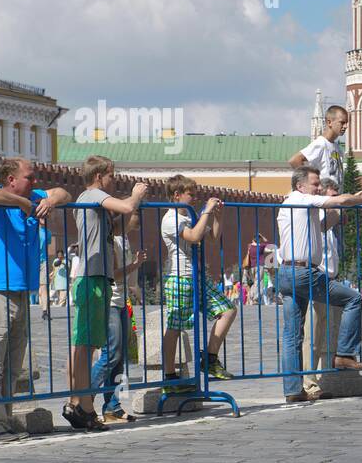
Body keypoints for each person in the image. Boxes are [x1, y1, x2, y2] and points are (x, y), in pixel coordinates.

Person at [0, 158, 70, 442]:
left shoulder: (35, 196)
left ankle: (4, 421)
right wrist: (24, 205)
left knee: (13, 363)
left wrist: (48, 201)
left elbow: (64, 193)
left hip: (22, 290)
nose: (34, 182)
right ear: (11, 180)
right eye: (29, 177)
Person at [64, 156, 149, 432]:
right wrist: (135, 195)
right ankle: (83, 407)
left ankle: (79, 403)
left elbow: (120, 224)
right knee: (86, 345)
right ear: (100, 175)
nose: (115, 179)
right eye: (112, 174)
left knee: (85, 344)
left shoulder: (90, 200)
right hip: (92, 279)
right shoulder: (94, 194)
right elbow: (125, 206)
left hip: (95, 277)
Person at [276, 165, 362, 403]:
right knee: (352, 298)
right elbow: (333, 201)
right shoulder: (302, 199)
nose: (318, 188)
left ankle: (292, 390)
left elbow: (322, 223)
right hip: (305, 273)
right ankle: (344, 354)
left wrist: (339, 207)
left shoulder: (290, 204)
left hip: (286, 272)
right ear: (300, 185)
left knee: (291, 336)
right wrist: (359, 197)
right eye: (315, 183)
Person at [160, 175, 239, 394]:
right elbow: (194, 237)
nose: (194, 198)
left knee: (228, 310)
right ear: (177, 195)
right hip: (179, 277)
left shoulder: (191, 215)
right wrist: (205, 211)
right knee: (175, 326)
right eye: (190, 194)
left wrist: (217, 216)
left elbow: (212, 237)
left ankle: (210, 358)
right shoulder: (171, 219)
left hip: (198, 276)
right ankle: (169, 377)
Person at [91, 220, 146, 425]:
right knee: (111, 353)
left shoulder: (125, 239)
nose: (138, 216)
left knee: (121, 357)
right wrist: (136, 264)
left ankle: (114, 406)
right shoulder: (111, 239)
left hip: (123, 300)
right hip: (111, 301)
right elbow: (114, 273)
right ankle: (84, 398)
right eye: (135, 213)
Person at [302, 177, 345, 400]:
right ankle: (309, 381)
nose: (335, 199)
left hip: (331, 280)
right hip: (318, 279)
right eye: (332, 195)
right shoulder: (315, 217)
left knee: (329, 332)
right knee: (313, 333)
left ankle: (325, 373)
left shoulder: (329, 227)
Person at [289, 105, 348, 185]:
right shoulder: (321, 143)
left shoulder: (338, 148)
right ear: (329, 122)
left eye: (346, 123)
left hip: (336, 195)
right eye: (342, 122)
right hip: (324, 196)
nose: (345, 126)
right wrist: (310, 183)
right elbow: (295, 160)